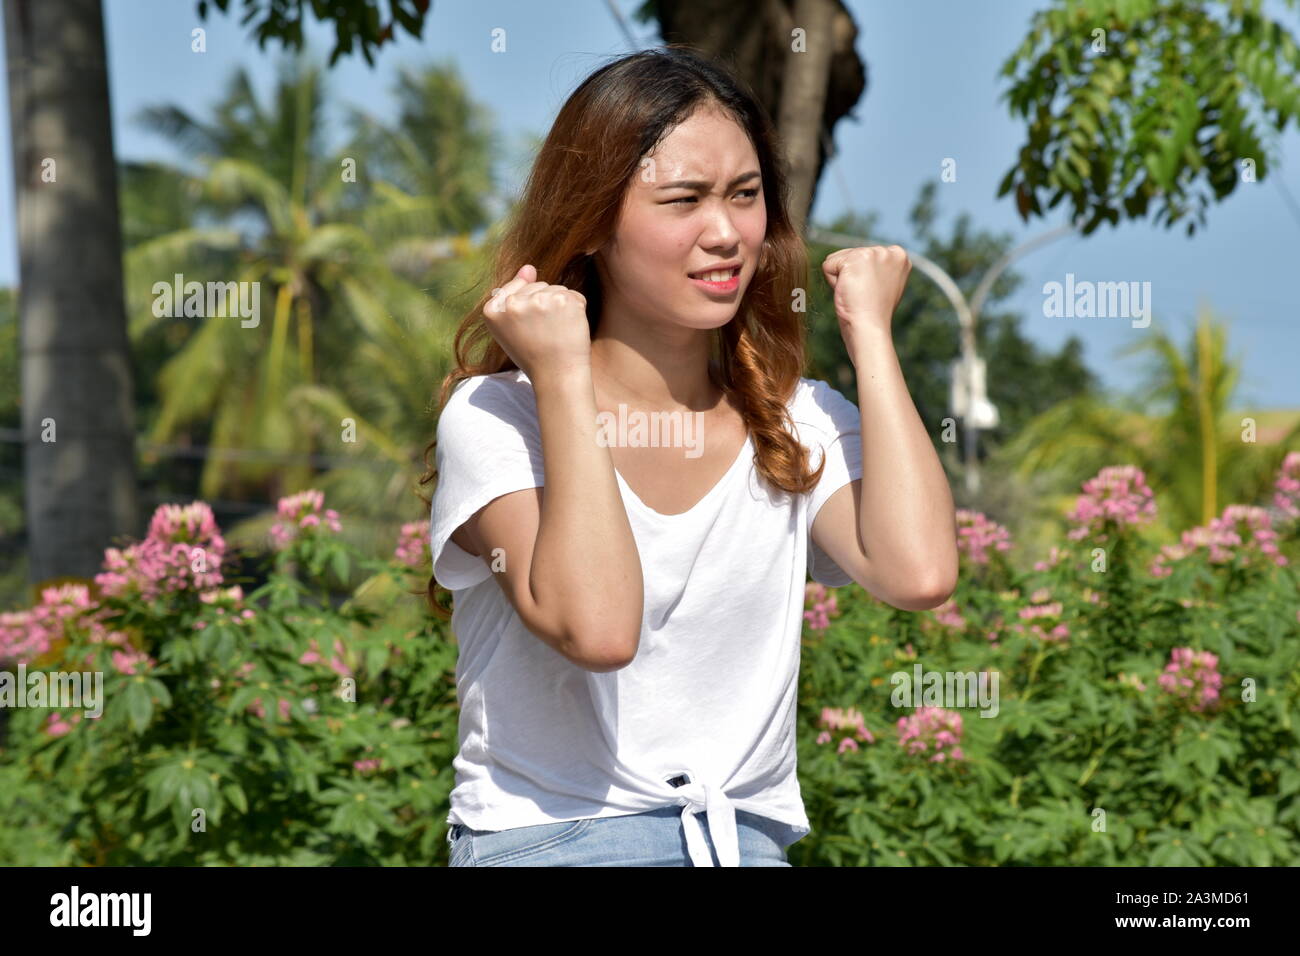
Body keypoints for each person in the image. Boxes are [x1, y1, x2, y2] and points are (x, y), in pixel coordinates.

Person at [420, 44, 958, 867]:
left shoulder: (799, 420)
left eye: (746, 197)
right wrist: (563, 373)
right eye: (685, 200)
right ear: (594, 219)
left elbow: (917, 574)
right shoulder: (499, 416)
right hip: (551, 844)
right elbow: (597, 627)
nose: (727, 233)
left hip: (743, 846)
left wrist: (872, 337)